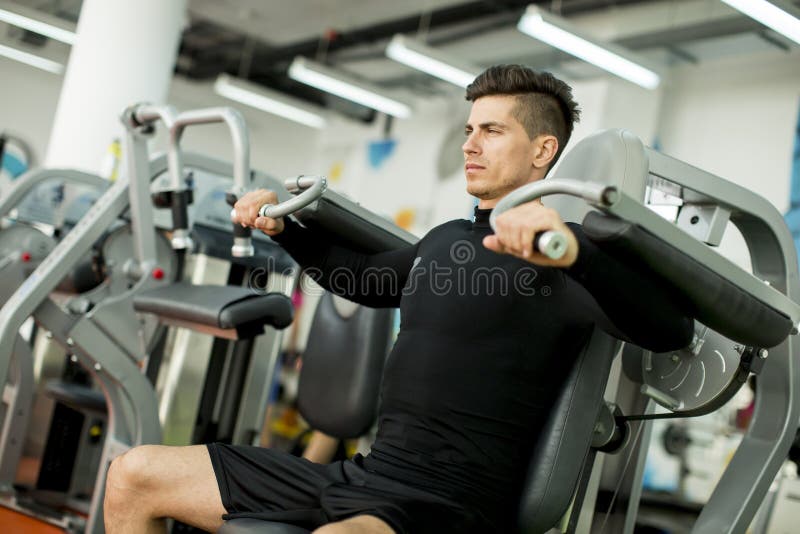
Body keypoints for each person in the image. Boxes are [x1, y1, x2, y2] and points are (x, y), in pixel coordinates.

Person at [104, 65, 693, 534]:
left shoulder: (562, 252)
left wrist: (573, 254)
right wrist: (286, 232)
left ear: (542, 151)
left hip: (445, 506)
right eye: (469, 130)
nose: (471, 144)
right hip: (362, 476)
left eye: (492, 131)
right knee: (134, 475)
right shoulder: (446, 242)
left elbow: (669, 330)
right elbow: (359, 279)